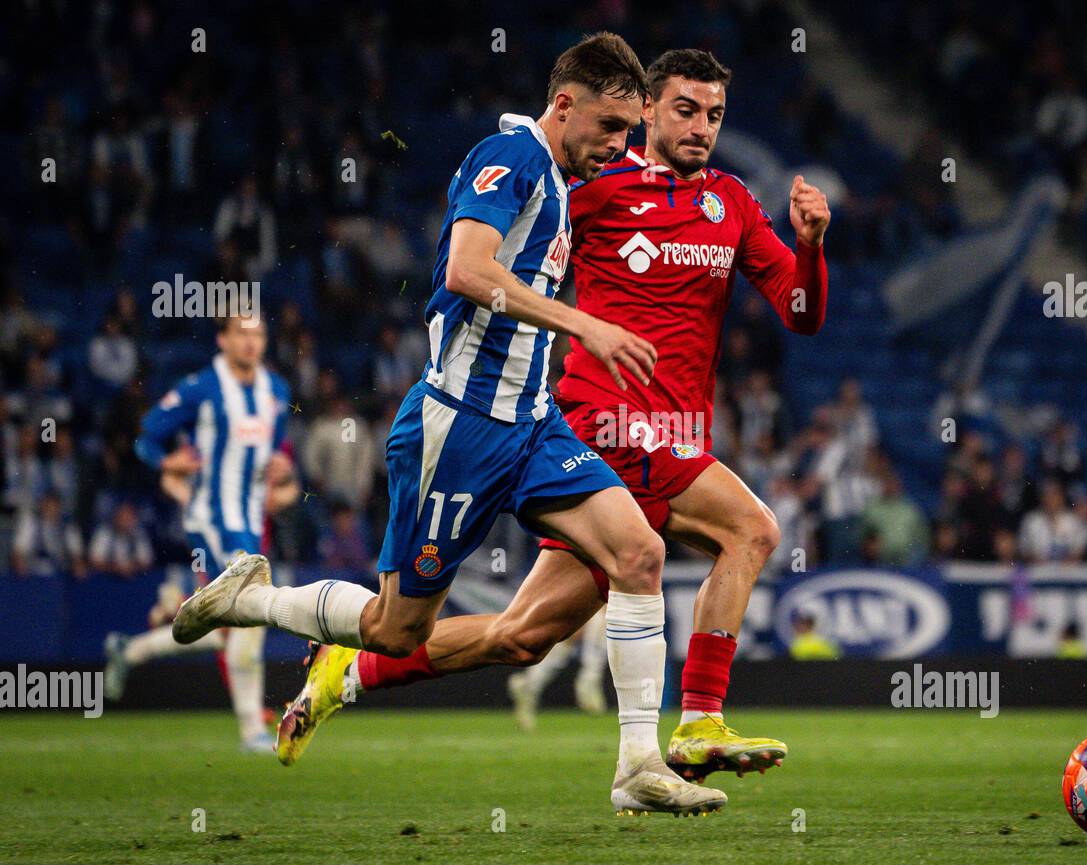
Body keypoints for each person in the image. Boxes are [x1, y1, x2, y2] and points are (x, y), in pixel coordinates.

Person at [172, 34, 725, 817]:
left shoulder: (566, 176)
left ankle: (637, 764)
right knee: (395, 630)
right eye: (608, 127)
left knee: (639, 553)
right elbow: (467, 270)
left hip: (533, 426)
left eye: (629, 132)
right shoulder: (513, 158)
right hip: (458, 430)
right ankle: (250, 599)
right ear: (563, 105)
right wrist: (584, 326)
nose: (619, 146)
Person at [286, 46, 831, 784]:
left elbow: (800, 313)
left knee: (522, 637)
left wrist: (810, 247)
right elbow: (495, 236)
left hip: (671, 435)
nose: (700, 127)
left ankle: (345, 675)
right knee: (753, 527)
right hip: (595, 419)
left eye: (714, 115)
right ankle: (698, 720)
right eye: (683, 110)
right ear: (646, 112)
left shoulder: (730, 203)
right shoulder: (592, 183)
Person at [104, 313, 298, 750]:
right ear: (222, 340)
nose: (251, 343)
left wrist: (280, 469)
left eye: (259, 334)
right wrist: (164, 462)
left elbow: (277, 458)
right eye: (241, 335)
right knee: (253, 611)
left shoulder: (276, 392)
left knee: (225, 627)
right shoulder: (200, 388)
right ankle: (252, 730)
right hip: (210, 521)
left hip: (250, 524)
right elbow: (147, 437)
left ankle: (130, 650)